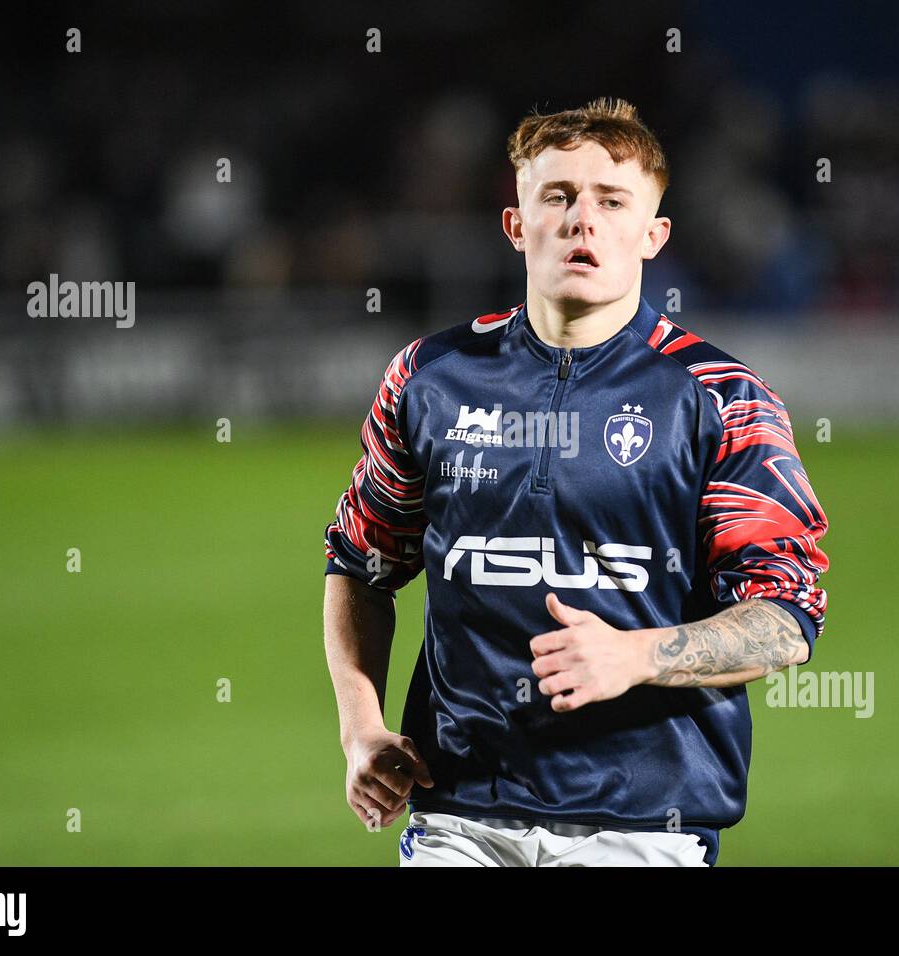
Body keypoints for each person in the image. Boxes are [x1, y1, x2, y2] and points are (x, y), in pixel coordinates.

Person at [323, 97, 829, 867]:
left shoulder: (720, 396)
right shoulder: (431, 378)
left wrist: (637, 656)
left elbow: (786, 614)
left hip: (641, 825)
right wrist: (361, 726)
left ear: (652, 234)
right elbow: (361, 563)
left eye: (611, 200)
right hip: (460, 813)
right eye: (556, 197)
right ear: (517, 225)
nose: (581, 219)